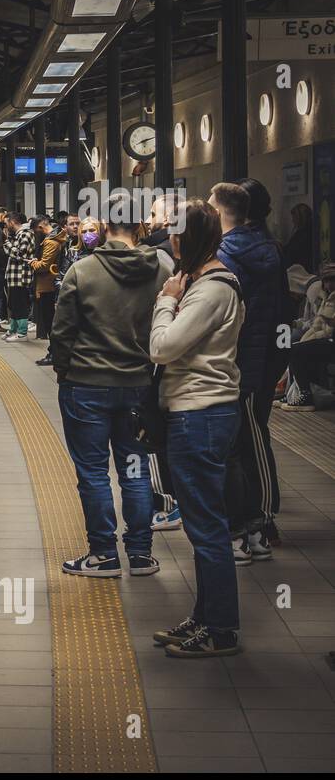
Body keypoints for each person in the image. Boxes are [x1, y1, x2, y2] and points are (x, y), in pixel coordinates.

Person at [148, 199, 245, 657]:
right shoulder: (206, 282)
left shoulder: (210, 290)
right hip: (199, 412)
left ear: (186, 237)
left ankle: (221, 629)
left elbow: (164, 347)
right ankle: (206, 616)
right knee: (202, 525)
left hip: (200, 415)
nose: (169, 235)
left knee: (207, 529)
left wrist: (166, 302)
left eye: (173, 229)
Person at [51, 209, 170, 577]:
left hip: (85, 386)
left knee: (94, 474)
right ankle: (140, 554)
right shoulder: (162, 270)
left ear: (104, 227)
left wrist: (65, 370)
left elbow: (62, 331)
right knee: (134, 471)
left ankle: (103, 554)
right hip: (137, 386)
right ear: (140, 227)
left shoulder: (82, 270)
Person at [211, 180, 286, 564]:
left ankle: (252, 524)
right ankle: (258, 521)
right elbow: (279, 313)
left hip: (239, 359)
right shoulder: (269, 249)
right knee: (250, 436)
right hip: (259, 356)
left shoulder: (227, 253)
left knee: (243, 441)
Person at [279, 263, 335, 411]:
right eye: (327, 280)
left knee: (295, 348)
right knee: (292, 346)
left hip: (329, 339)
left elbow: (320, 323)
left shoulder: (317, 292)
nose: (330, 284)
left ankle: (304, 394)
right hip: (320, 336)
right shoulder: (325, 296)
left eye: (333, 280)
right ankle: (292, 392)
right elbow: (312, 321)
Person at [30, 215, 65, 363]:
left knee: (50, 321)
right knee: (49, 320)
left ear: (40, 227)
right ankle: (54, 352)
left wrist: (33, 263)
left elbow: (44, 265)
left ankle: (54, 354)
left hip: (47, 285)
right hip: (49, 284)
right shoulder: (55, 240)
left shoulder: (51, 242)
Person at [2, 212, 35, 341]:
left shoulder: (26, 233)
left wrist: (7, 244)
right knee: (13, 304)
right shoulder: (18, 235)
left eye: (6, 223)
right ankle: (13, 329)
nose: (6, 226)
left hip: (21, 276)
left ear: (12, 221)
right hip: (14, 276)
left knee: (20, 305)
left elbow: (21, 254)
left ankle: (22, 333)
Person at [283, 203, 315, 273]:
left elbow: (293, 251)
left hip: (302, 272)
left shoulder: (303, 234)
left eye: (293, 217)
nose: (292, 220)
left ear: (299, 217)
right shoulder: (309, 231)